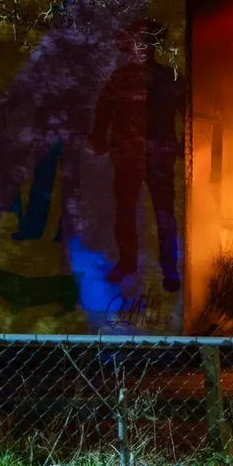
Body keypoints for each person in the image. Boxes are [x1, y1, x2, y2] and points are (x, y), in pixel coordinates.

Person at [90, 19, 184, 292]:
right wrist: (98, 138)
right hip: (127, 157)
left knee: (164, 215)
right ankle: (127, 262)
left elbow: (187, 112)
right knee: (126, 213)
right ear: (129, 46)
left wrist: (184, 144)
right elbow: (103, 111)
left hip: (159, 158)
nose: (145, 47)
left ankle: (169, 270)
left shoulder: (169, 78)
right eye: (139, 41)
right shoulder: (119, 79)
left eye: (149, 41)